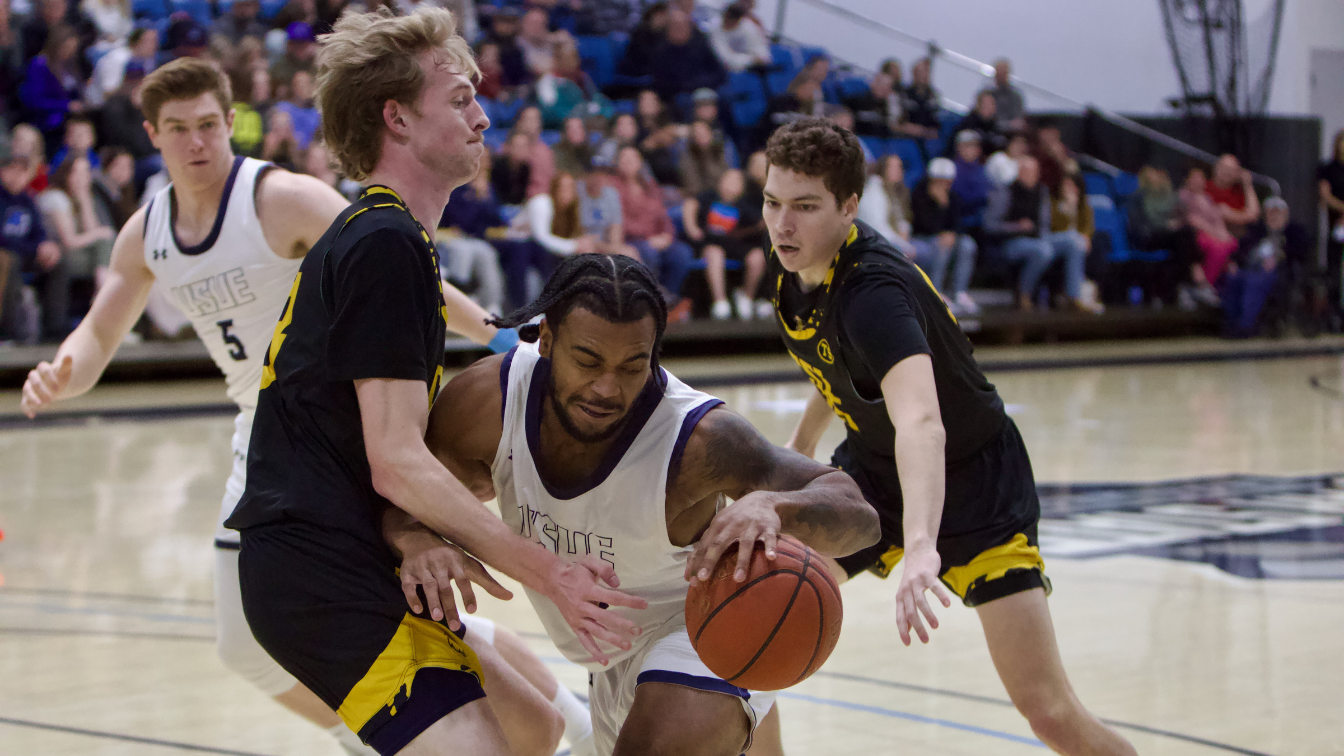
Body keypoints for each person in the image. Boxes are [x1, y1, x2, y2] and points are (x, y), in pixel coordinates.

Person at [17, 53, 564, 756]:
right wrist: (64, 373)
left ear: (231, 125)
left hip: (330, 419)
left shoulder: (282, 199)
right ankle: (406, 714)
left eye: (211, 125)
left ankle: (429, 711)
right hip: (266, 431)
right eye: (179, 129)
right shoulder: (147, 230)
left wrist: (495, 331)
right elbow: (99, 330)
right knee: (256, 636)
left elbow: (398, 262)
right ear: (152, 134)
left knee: (285, 621)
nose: (197, 143)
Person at [759, 117, 1138, 756]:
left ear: (849, 208)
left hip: (976, 485)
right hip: (878, 474)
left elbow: (922, 423)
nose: (782, 225)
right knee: (756, 614)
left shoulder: (872, 293)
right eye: (772, 202)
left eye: (804, 207)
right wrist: (798, 451)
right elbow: (834, 363)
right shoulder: (796, 272)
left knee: (1049, 712)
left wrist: (921, 546)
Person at [423, 252, 879, 756]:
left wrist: (774, 506)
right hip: (610, 664)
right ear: (547, 339)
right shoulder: (489, 402)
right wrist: (418, 537)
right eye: (588, 361)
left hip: (707, 626)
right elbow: (406, 487)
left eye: (632, 367)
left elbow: (859, 515)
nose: (607, 388)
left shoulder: (699, 439)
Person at [613, 145, 694, 316]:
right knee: (648, 252)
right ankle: (653, 300)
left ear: (640, 163)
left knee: (682, 253)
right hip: (629, 240)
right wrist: (648, 236)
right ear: (617, 163)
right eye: (624, 159)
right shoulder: (613, 188)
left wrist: (666, 236)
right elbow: (616, 220)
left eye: (633, 159)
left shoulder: (650, 186)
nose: (628, 163)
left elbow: (663, 217)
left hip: (656, 239)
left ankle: (671, 300)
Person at [683, 167, 768, 320]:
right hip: (711, 243)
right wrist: (692, 228)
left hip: (736, 245)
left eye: (736, 181)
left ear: (742, 188)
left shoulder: (745, 204)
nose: (731, 184)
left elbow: (758, 223)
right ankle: (720, 302)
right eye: (728, 180)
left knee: (757, 256)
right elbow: (690, 204)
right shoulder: (709, 197)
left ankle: (746, 297)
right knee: (714, 253)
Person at [0, 147, 65, 342]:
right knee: (9, 261)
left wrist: (46, 246)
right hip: (7, 254)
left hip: (26, 253)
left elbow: (38, 232)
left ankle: (55, 329)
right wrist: (34, 248)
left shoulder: (27, 201)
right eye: (13, 170)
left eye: (23, 172)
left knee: (60, 262)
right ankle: (8, 331)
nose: (18, 176)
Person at [1221, 196, 1308, 338]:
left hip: (1277, 272)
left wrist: (1279, 258)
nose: (1274, 216)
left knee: (1255, 282)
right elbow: (1242, 250)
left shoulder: (1294, 232)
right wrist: (1234, 263)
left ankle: (1246, 326)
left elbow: (1300, 253)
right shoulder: (1257, 231)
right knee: (1233, 278)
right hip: (1250, 268)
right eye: (1270, 212)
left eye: (1277, 212)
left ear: (1285, 214)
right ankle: (1231, 325)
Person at [985, 155, 1057, 310]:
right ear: (1020, 172)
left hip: (1039, 238)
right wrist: (1016, 227)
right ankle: (1024, 293)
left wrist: (1043, 235)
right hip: (1012, 242)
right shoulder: (1005, 192)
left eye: (1036, 171)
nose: (1035, 175)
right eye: (1030, 171)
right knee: (1044, 251)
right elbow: (989, 225)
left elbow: (1045, 222)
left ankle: (1073, 295)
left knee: (1073, 241)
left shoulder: (1042, 191)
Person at [35, 152, 115, 291]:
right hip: (55, 254)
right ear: (66, 174)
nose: (81, 178)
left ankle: (102, 294)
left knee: (106, 248)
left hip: (73, 253)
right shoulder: (56, 197)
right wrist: (101, 233)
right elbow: (70, 242)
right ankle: (103, 295)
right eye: (76, 173)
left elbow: (91, 231)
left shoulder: (80, 198)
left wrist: (84, 200)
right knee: (108, 252)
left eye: (85, 173)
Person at [910, 157, 978, 315]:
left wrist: (951, 231)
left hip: (947, 237)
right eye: (939, 181)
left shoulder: (953, 197)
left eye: (946, 181)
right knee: (941, 244)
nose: (943, 185)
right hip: (924, 238)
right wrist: (939, 206)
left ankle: (960, 292)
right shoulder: (919, 195)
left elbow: (957, 223)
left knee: (968, 244)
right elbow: (923, 224)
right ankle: (935, 291)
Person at [1048, 174, 1103, 313]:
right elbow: (1054, 229)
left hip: (1077, 246)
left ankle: (1081, 294)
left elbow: (1088, 228)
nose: (1068, 189)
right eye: (1065, 186)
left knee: (1081, 244)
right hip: (1055, 243)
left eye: (1071, 186)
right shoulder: (1054, 206)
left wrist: (1085, 236)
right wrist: (1068, 211)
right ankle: (1075, 296)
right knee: (1074, 240)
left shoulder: (1084, 207)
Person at [1179, 165, 1238, 294]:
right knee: (1219, 248)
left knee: (1231, 243)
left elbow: (1216, 219)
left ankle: (1217, 287)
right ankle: (1205, 285)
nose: (1198, 181)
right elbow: (1193, 221)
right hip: (1194, 236)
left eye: (1201, 178)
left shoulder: (1207, 198)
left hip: (1211, 233)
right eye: (1195, 178)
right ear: (1187, 180)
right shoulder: (1184, 196)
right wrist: (1217, 233)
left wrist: (1223, 233)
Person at [857, 153, 916, 259]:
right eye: (894, 167)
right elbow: (878, 228)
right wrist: (904, 245)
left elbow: (901, 220)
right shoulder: (874, 193)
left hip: (893, 240)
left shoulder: (893, 191)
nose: (899, 170)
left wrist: (904, 229)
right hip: (874, 242)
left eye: (900, 167)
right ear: (883, 169)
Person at [84, 25, 156, 108]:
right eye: (150, 41)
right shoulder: (117, 59)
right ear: (137, 42)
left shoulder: (147, 60)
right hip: (100, 106)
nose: (154, 46)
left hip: (127, 102)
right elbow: (108, 93)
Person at [1318, 129, 1344, 321]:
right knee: (1334, 268)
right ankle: (1334, 313)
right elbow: (1325, 196)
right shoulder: (1328, 168)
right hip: (1337, 224)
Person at [1205, 153, 1260, 240]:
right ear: (1216, 167)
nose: (1227, 172)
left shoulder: (1239, 192)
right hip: (1208, 235)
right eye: (1224, 167)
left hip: (1233, 239)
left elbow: (1253, 215)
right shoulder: (1204, 187)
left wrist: (1247, 184)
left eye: (1232, 170)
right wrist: (1239, 216)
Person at [709, 1, 768, 74]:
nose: (728, 23)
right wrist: (751, 60)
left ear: (739, 20)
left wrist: (760, 59)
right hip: (722, 71)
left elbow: (762, 53)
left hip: (750, 71)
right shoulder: (715, 31)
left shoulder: (749, 28)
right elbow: (726, 60)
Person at [949, 129, 990, 230]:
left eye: (975, 145)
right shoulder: (953, 169)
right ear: (959, 147)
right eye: (968, 145)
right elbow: (958, 197)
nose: (973, 149)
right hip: (964, 217)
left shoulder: (982, 169)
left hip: (983, 215)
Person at [678, 119, 729, 197]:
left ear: (711, 133)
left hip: (727, 190)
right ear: (692, 138)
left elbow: (730, 172)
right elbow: (694, 187)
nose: (702, 136)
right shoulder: (687, 159)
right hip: (705, 196)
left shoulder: (722, 149)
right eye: (697, 134)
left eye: (704, 132)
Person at [980, 57, 1025, 133]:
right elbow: (984, 118)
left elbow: (1018, 119)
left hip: (1011, 133)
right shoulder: (987, 94)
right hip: (989, 131)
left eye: (1004, 72)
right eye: (1000, 72)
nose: (1002, 75)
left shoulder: (1016, 96)